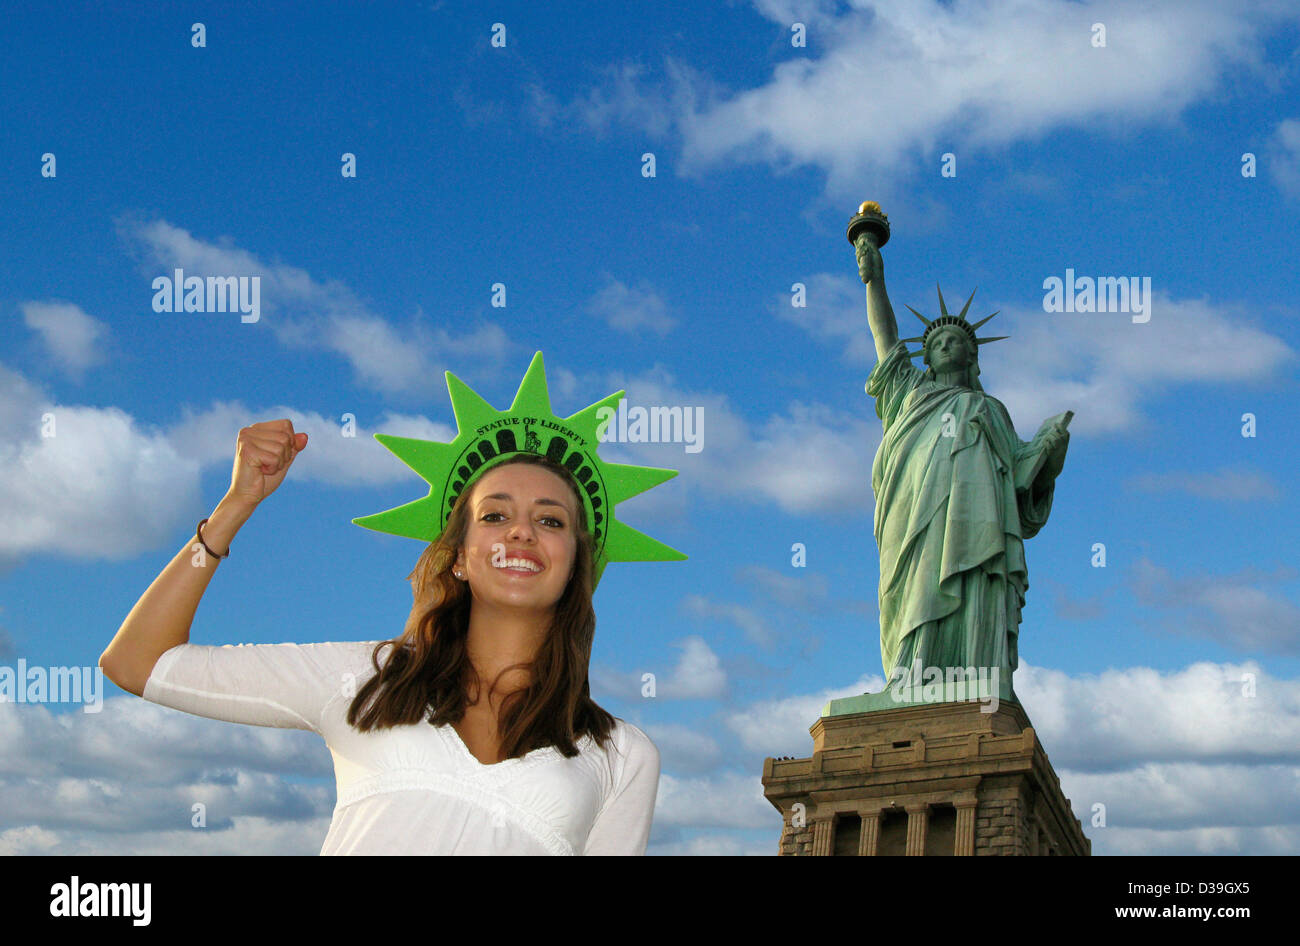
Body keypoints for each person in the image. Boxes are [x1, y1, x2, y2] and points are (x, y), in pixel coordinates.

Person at [100, 355, 683, 855]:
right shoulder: (364, 681)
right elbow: (139, 663)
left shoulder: (621, 755)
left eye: (550, 520)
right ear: (458, 554)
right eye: (495, 515)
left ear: (578, 564)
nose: (521, 533)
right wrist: (236, 505)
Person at [855, 237, 1070, 689]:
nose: (949, 346)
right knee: (919, 586)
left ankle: (975, 671)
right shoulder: (910, 395)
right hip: (918, 517)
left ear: (972, 357)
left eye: (957, 342)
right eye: (939, 343)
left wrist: (1051, 448)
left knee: (976, 579)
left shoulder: (992, 410)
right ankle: (914, 675)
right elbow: (885, 337)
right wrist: (875, 278)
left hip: (980, 525)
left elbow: (1022, 479)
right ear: (927, 359)